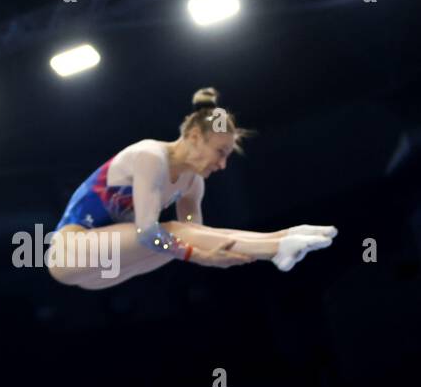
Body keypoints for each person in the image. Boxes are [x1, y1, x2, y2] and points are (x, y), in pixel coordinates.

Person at [47, 88, 336, 290]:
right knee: (168, 232)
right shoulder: (150, 156)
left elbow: (198, 235)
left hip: (108, 270)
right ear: (195, 137)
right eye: (220, 152)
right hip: (71, 253)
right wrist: (201, 257)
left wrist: (281, 232)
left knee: (186, 236)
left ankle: (284, 237)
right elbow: (150, 233)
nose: (222, 165)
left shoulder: (192, 183)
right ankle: (275, 249)